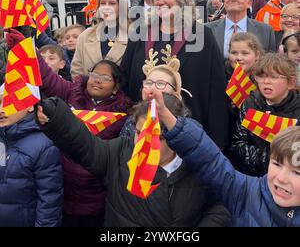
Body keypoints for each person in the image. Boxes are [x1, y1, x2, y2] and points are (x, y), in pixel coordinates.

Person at [35, 94, 231, 227]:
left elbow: (221, 207)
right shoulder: (119, 151)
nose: (141, 142)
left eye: (154, 135)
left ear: (175, 134)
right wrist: (55, 116)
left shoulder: (199, 162)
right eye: (138, 132)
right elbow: (84, 145)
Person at [5, 27, 132, 227]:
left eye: (105, 78)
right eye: (94, 74)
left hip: (96, 200)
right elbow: (46, 77)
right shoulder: (71, 92)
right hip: (63, 191)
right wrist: (24, 47)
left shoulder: (124, 116)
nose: (97, 80)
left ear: (116, 87)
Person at [147, 91, 300, 227]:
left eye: (297, 173)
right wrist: (167, 116)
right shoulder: (247, 192)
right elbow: (210, 161)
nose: (281, 178)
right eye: (277, 164)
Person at [121, 0, 229, 148]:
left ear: (182, 0)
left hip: (188, 132)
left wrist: (218, 141)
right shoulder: (140, 33)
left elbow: (216, 89)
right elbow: (125, 77)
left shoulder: (202, 34)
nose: (160, 1)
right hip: (143, 129)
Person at [229, 53, 300, 177]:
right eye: (261, 76)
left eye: (274, 76)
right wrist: (269, 160)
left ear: (290, 82)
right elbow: (238, 145)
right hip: (252, 177)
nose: (266, 81)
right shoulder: (250, 103)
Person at [0, 95, 63, 227]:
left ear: (30, 106)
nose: (1, 109)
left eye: (9, 103)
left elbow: (49, 201)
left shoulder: (44, 146)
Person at [206, 0, 276, 58]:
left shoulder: (266, 31)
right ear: (224, 0)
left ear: (249, 3)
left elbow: (269, 65)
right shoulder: (206, 29)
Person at [71, 0, 129, 78]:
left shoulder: (132, 37)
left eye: (112, 3)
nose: (106, 8)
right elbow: (77, 70)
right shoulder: (85, 36)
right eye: (103, 3)